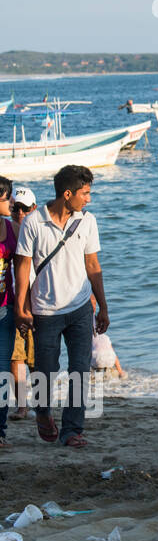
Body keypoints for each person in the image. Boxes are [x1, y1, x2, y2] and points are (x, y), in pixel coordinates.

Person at [13, 166, 111, 448]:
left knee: (80, 369)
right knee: (45, 371)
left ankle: (72, 430)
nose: (88, 199)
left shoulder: (87, 221)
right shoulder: (33, 222)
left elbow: (93, 265)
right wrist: (21, 307)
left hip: (80, 308)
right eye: (85, 194)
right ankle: (42, 412)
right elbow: (22, 268)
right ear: (67, 194)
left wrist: (102, 306)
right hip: (45, 311)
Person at [7, 187, 35, 419]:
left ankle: (42, 406)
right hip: (14, 302)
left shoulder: (38, 231)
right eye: (15, 208)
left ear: (33, 209)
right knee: (16, 357)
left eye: (24, 208)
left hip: (37, 302)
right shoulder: (10, 231)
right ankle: (22, 406)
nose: (19, 212)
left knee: (38, 358)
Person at [0, 177, 16, 447]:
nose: (12, 203)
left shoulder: (13, 228)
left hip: (6, 309)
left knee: (3, 371)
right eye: (6, 199)